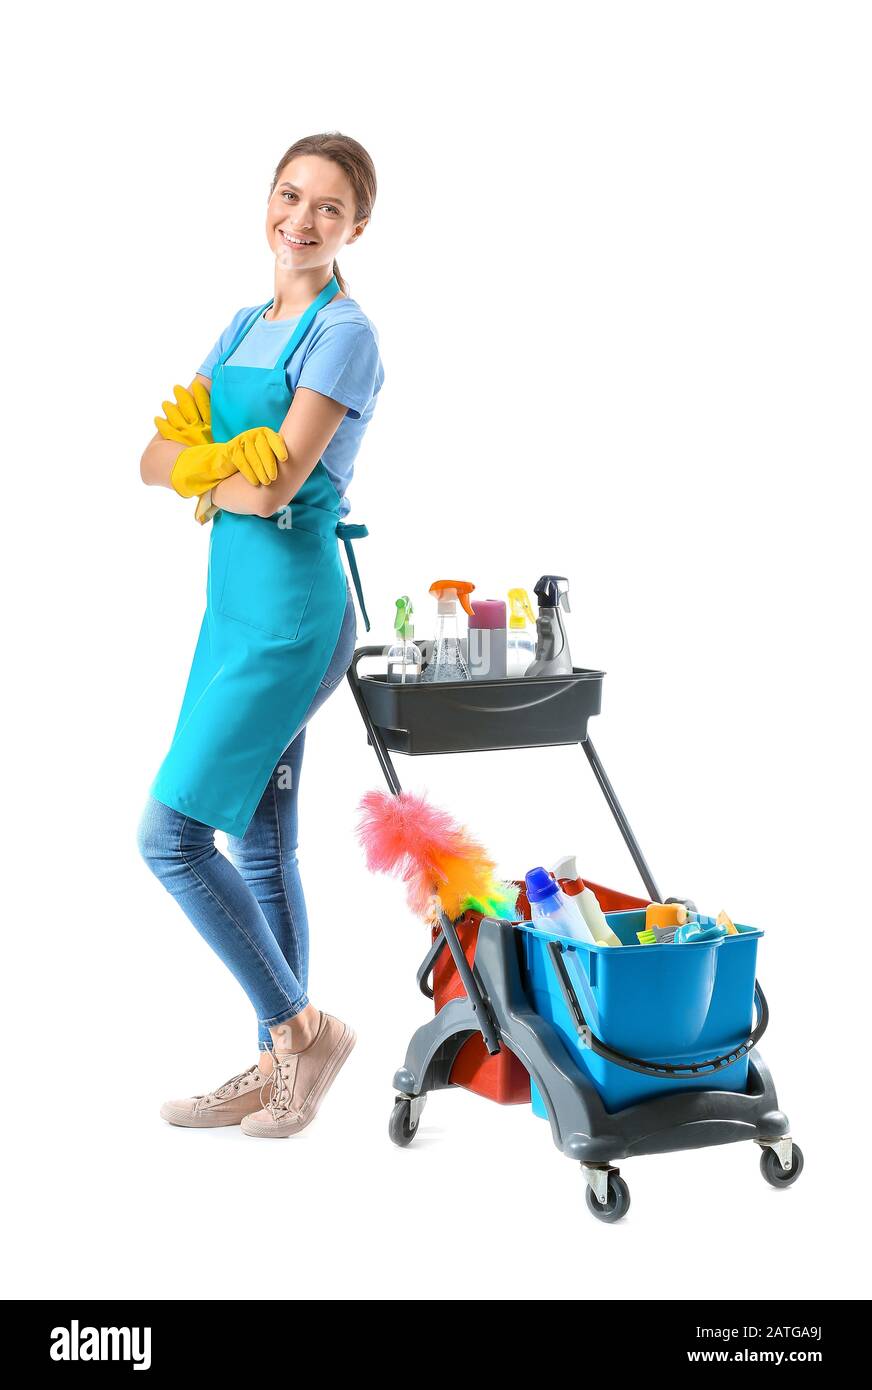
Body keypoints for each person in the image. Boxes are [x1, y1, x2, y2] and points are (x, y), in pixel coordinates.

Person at [136, 132, 383, 1140]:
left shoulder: (344, 333)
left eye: (328, 208)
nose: (301, 220)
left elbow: (280, 480)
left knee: (171, 836)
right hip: (229, 610)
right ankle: (278, 1059)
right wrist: (204, 465)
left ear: (356, 227)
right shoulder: (243, 322)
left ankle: (299, 1026)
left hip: (291, 620)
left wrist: (219, 471)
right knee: (262, 841)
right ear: (265, 201)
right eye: (289, 196)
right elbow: (151, 457)